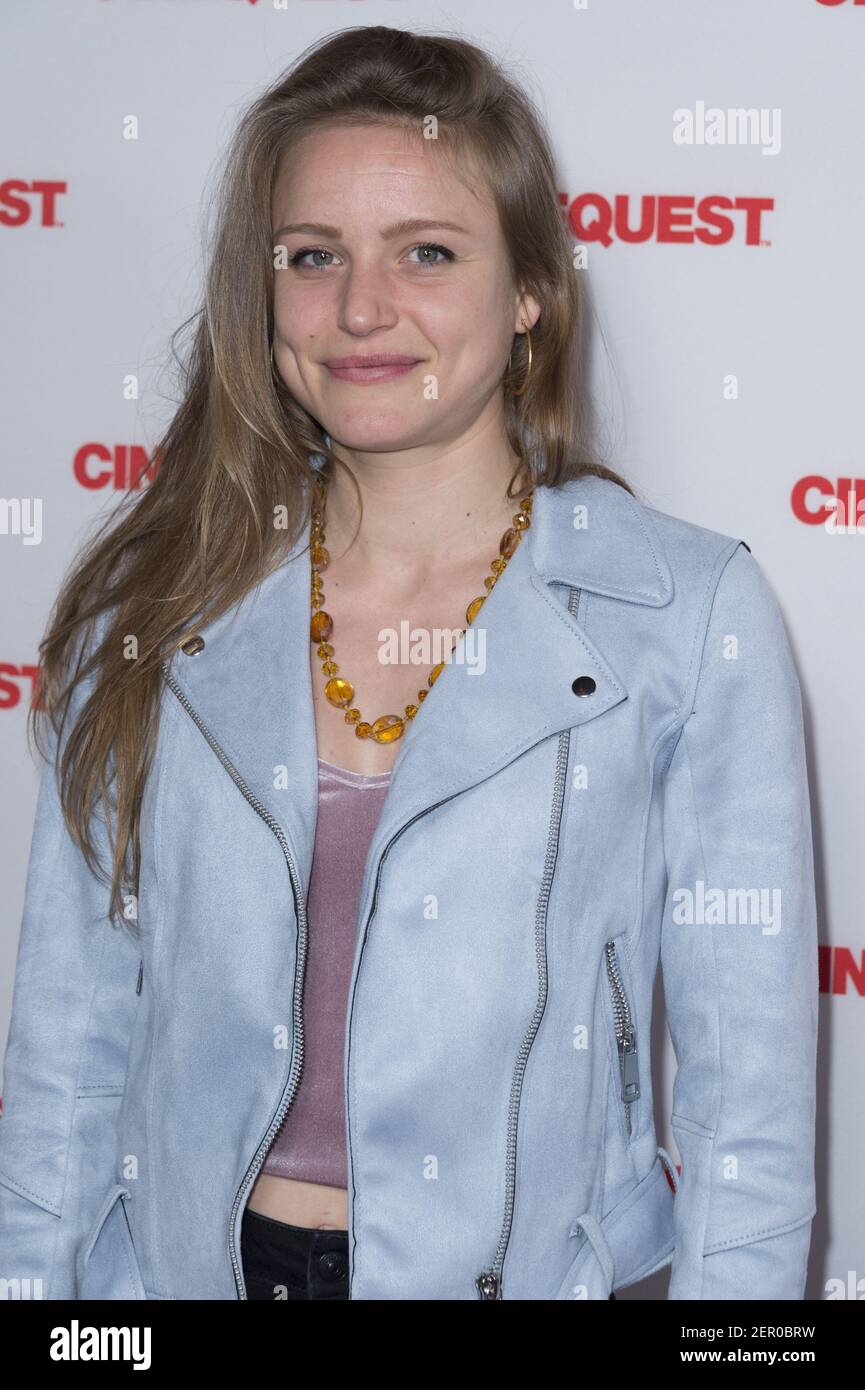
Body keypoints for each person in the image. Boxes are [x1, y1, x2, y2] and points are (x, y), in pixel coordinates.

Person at [0, 26, 818, 1302]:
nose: (362, 309)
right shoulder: (147, 604)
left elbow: (746, 1107)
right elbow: (64, 1054)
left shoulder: (680, 613)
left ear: (529, 289)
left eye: (426, 253)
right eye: (311, 256)